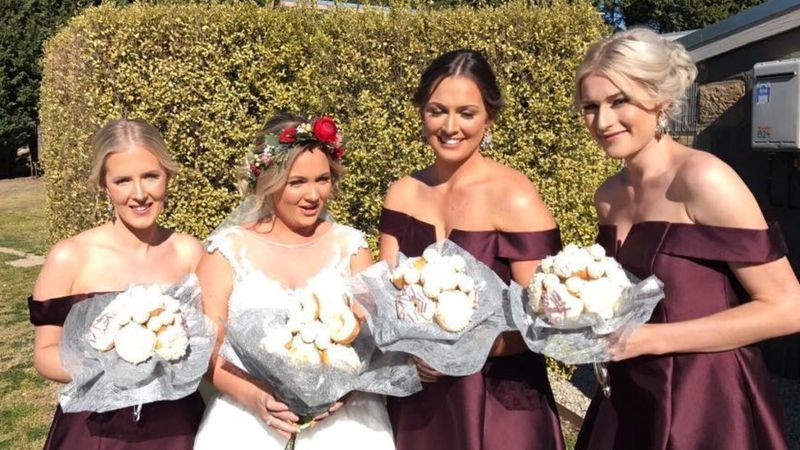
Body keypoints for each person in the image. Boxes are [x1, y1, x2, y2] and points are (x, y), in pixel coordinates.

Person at [573, 28, 800, 450]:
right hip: (628, 396)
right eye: (590, 106)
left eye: (618, 100)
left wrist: (654, 339)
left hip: (706, 403)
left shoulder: (704, 179)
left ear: (660, 99)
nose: (602, 122)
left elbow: (788, 307)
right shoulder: (607, 197)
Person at [379, 49, 565, 450]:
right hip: (419, 397)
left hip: (498, 402)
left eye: (466, 112)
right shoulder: (402, 193)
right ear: (421, 114)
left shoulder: (514, 197)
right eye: (436, 110)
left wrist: (467, 353)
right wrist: (409, 354)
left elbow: (546, 317)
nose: (449, 126)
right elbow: (386, 300)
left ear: (489, 117)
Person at [193, 113, 395, 449]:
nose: (313, 195)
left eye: (323, 179)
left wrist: (347, 389)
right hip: (245, 424)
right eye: (297, 182)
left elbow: (375, 341)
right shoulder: (226, 251)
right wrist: (254, 397)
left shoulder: (351, 248)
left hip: (345, 426)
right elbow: (206, 351)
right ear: (269, 181)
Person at [29, 119, 206, 449]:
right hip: (97, 431)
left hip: (176, 428)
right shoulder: (71, 257)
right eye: (123, 180)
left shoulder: (190, 253)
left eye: (150, 176)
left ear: (167, 176)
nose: (139, 194)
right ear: (104, 184)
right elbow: (44, 354)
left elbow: (210, 341)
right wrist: (113, 365)